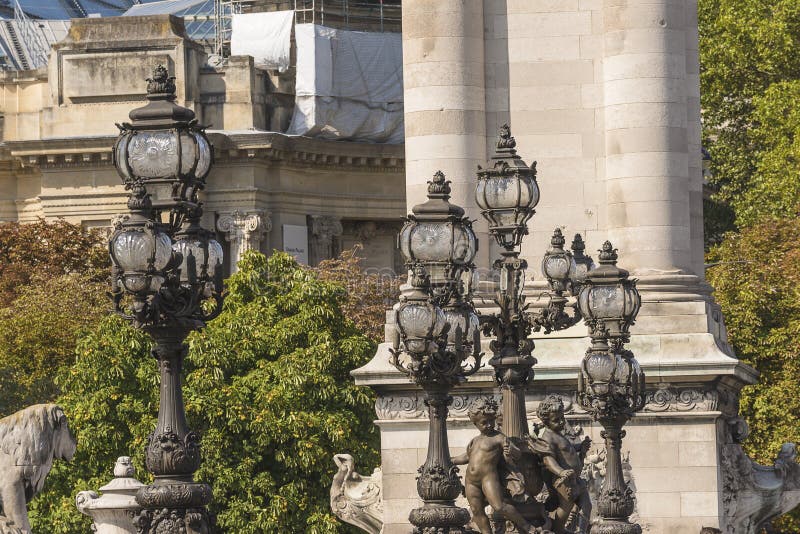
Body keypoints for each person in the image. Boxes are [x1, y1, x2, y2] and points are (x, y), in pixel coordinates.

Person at [451, 397, 540, 534]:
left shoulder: (498, 437)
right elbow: (467, 457)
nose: (489, 425)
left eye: (491, 421)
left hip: (488, 478)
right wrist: (451, 460)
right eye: (484, 423)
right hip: (470, 481)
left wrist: (511, 451)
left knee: (499, 506)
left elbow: (517, 453)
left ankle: (528, 527)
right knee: (476, 510)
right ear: (475, 423)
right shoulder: (475, 441)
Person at [536, 395, 591, 534]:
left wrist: (581, 447)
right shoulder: (547, 437)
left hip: (576, 479)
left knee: (587, 505)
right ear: (546, 422)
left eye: (562, 418)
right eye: (556, 420)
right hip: (564, 480)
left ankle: (582, 531)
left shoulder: (559, 435)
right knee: (565, 508)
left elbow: (568, 450)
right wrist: (561, 472)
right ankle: (558, 529)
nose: (561, 422)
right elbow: (548, 459)